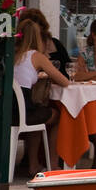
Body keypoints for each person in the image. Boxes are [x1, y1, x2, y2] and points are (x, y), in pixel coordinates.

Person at [13, 21, 70, 175]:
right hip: (23, 111)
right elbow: (64, 81)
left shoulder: (13, 53)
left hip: (8, 110)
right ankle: (53, 164)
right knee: (56, 116)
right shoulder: (36, 56)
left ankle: (34, 165)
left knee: (40, 113)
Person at [18, 8, 71, 75]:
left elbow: (69, 66)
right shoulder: (22, 48)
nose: (34, 30)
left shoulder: (55, 43)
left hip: (60, 83)